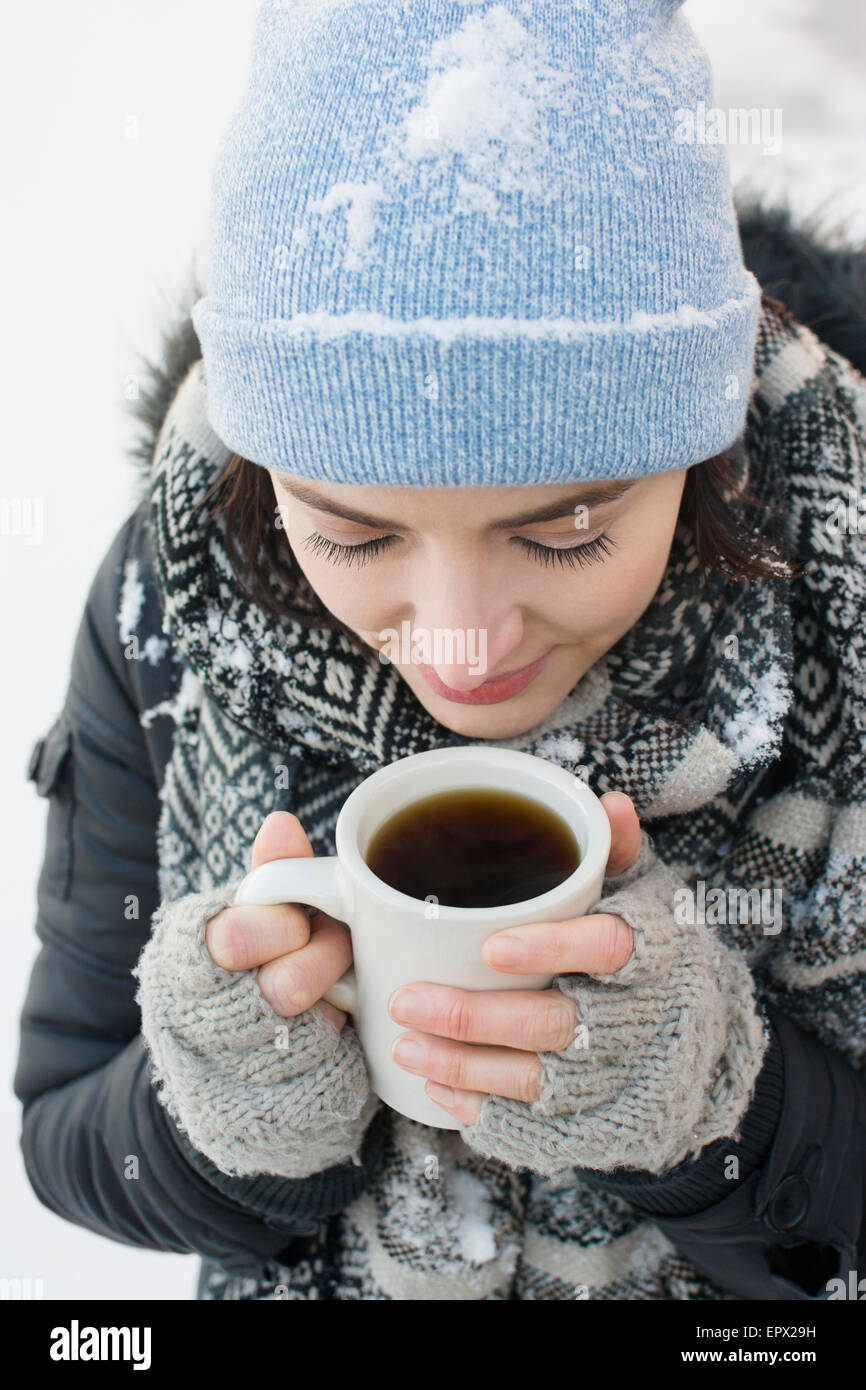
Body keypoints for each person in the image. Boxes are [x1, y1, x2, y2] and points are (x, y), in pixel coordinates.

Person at [16, 0, 866, 1301]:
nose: (463, 641)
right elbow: (68, 1126)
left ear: (695, 457)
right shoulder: (171, 600)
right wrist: (230, 1115)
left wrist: (715, 1109)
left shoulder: (842, 598)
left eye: (567, 529)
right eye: (353, 533)